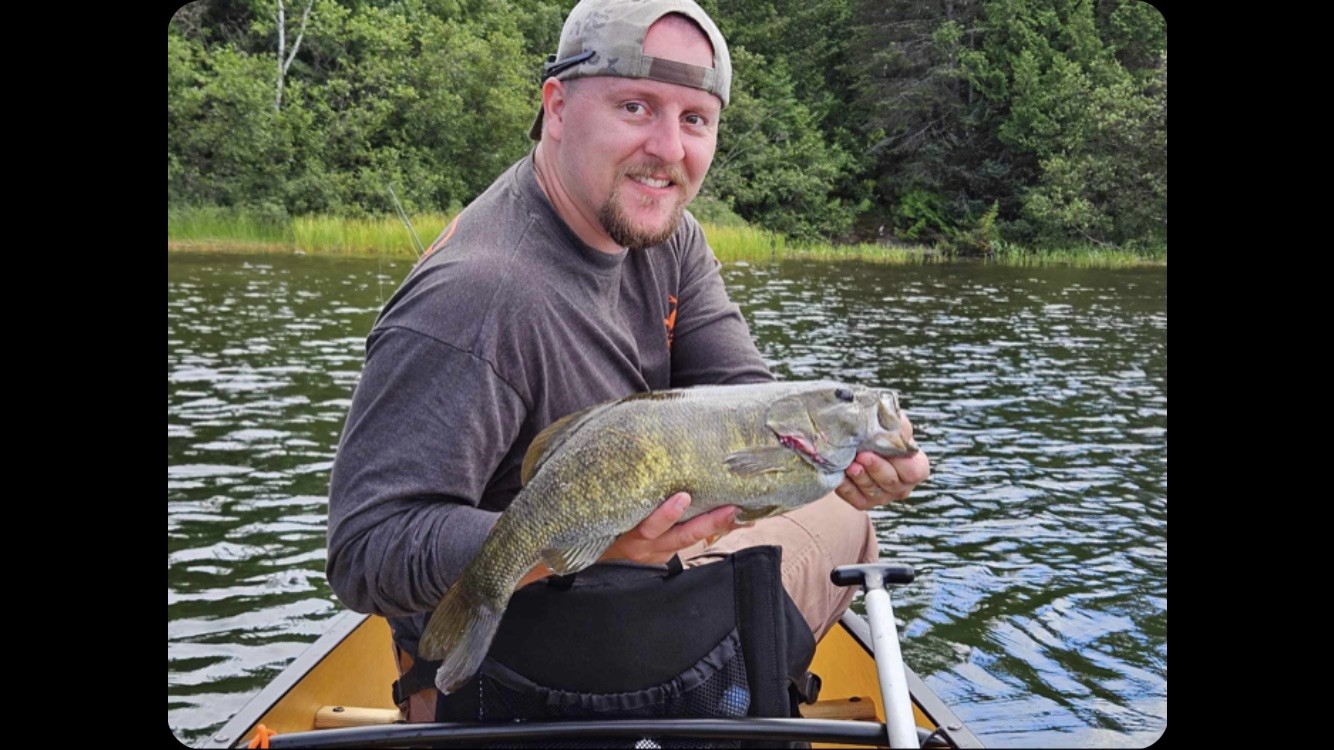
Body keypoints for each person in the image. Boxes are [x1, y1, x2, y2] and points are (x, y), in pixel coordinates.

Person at [326, 0, 930, 722]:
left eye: (694, 120)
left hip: (622, 594)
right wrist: (589, 539)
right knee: (845, 530)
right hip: (525, 662)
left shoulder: (669, 236)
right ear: (557, 107)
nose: (669, 150)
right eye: (636, 106)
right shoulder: (475, 297)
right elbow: (366, 551)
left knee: (834, 497)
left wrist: (852, 456)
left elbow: (745, 399)